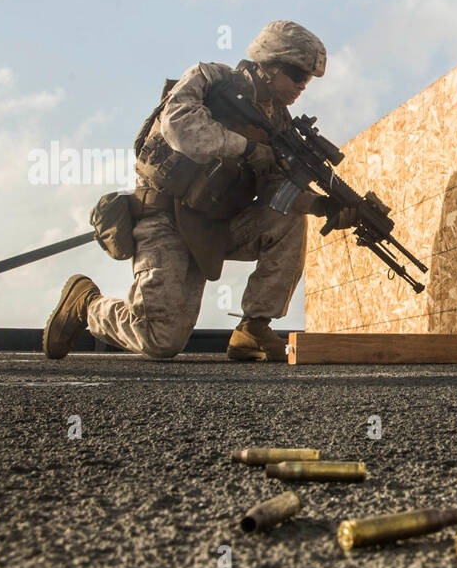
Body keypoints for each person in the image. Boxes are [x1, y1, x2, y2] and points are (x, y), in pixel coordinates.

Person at [43, 20, 353, 362]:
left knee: (289, 217)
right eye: (297, 74)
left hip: (216, 226)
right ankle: (86, 303)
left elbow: (273, 192)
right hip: (165, 218)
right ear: (268, 64)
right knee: (160, 340)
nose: (301, 86)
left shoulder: (280, 124)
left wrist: (323, 206)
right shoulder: (211, 80)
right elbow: (180, 126)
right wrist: (247, 148)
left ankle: (254, 328)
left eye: (306, 79)